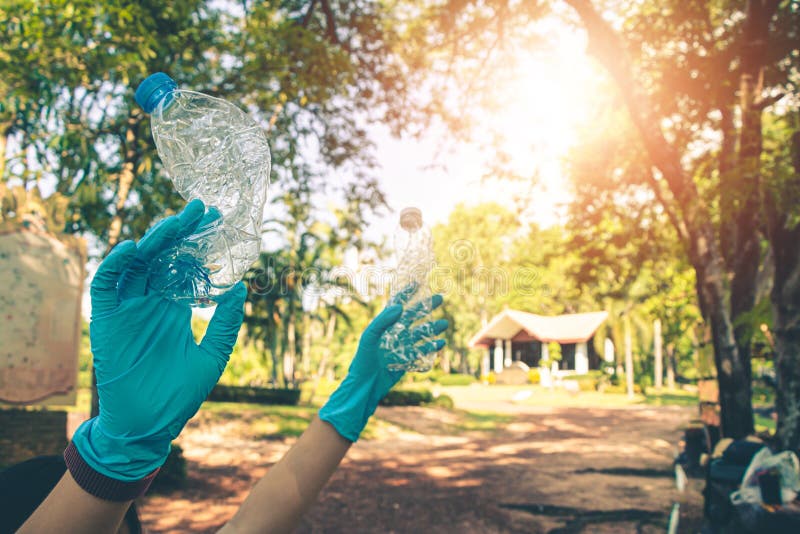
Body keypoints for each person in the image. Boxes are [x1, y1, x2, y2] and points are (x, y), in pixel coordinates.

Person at [15, 199, 448, 533]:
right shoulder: (25, 487)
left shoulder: (32, 484)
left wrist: (355, 396)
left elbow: (247, 527)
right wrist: (115, 455)